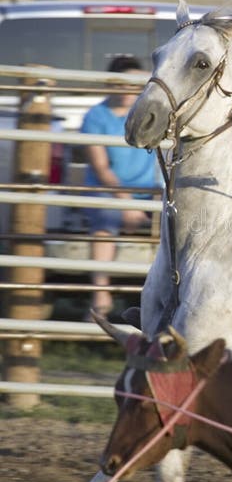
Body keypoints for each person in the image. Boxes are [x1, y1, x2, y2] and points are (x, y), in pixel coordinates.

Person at [81, 55, 158, 316]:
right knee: (106, 218)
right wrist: (126, 203)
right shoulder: (95, 116)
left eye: (134, 83)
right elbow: (101, 168)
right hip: (109, 191)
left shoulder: (148, 111)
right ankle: (100, 295)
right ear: (110, 84)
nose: (128, 90)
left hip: (150, 190)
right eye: (122, 83)